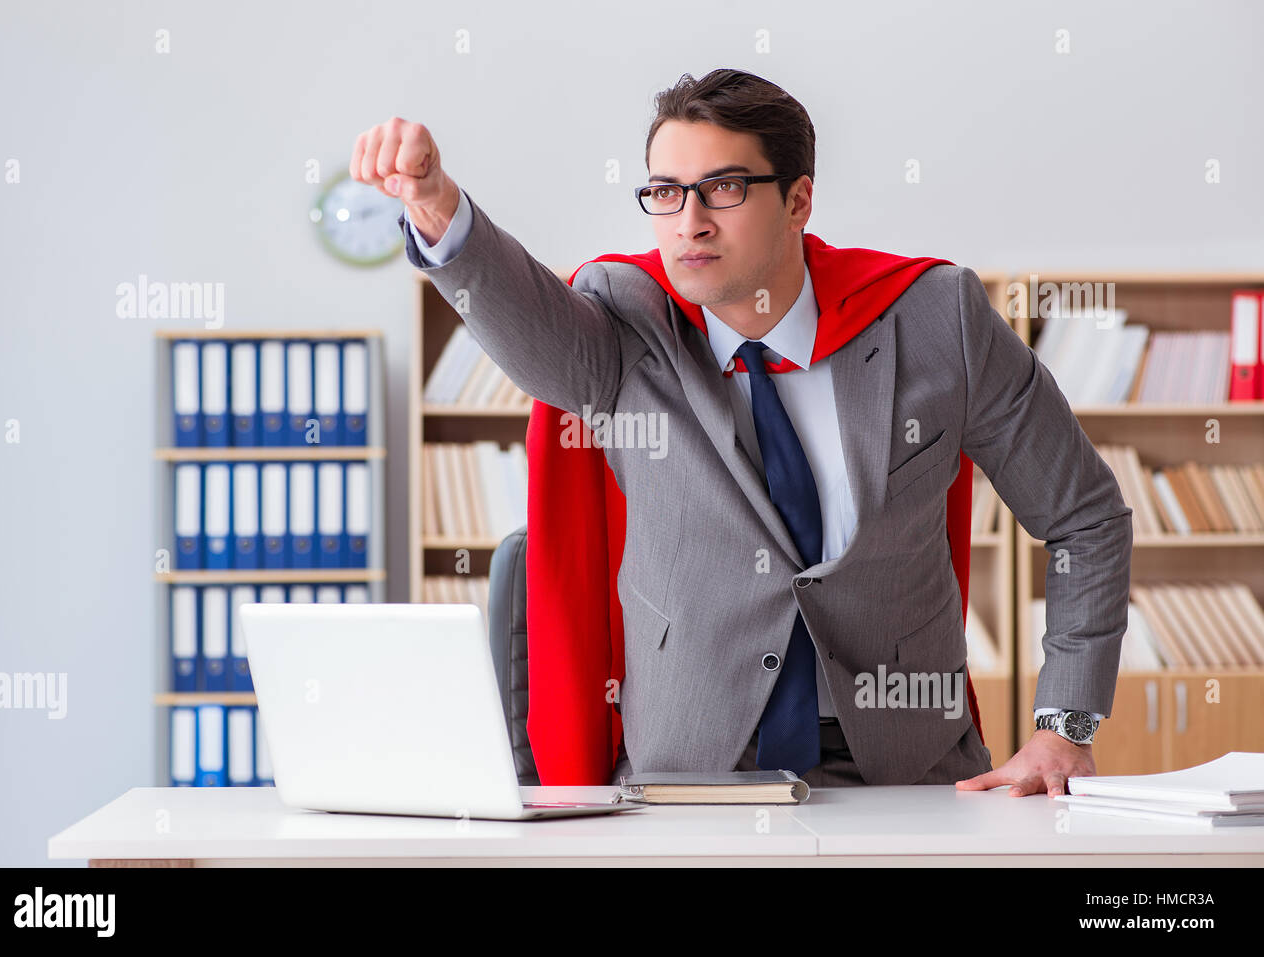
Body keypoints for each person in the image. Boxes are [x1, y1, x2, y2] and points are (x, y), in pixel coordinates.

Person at [349, 68, 1132, 795]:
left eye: (722, 188)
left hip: (910, 774)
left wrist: (1065, 727)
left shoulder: (937, 320)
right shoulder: (626, 328)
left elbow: (1085, 517)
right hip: (689, 776)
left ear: (798, 200)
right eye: (664, 191)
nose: (689, 222)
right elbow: (526, 321)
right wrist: (436, 206)